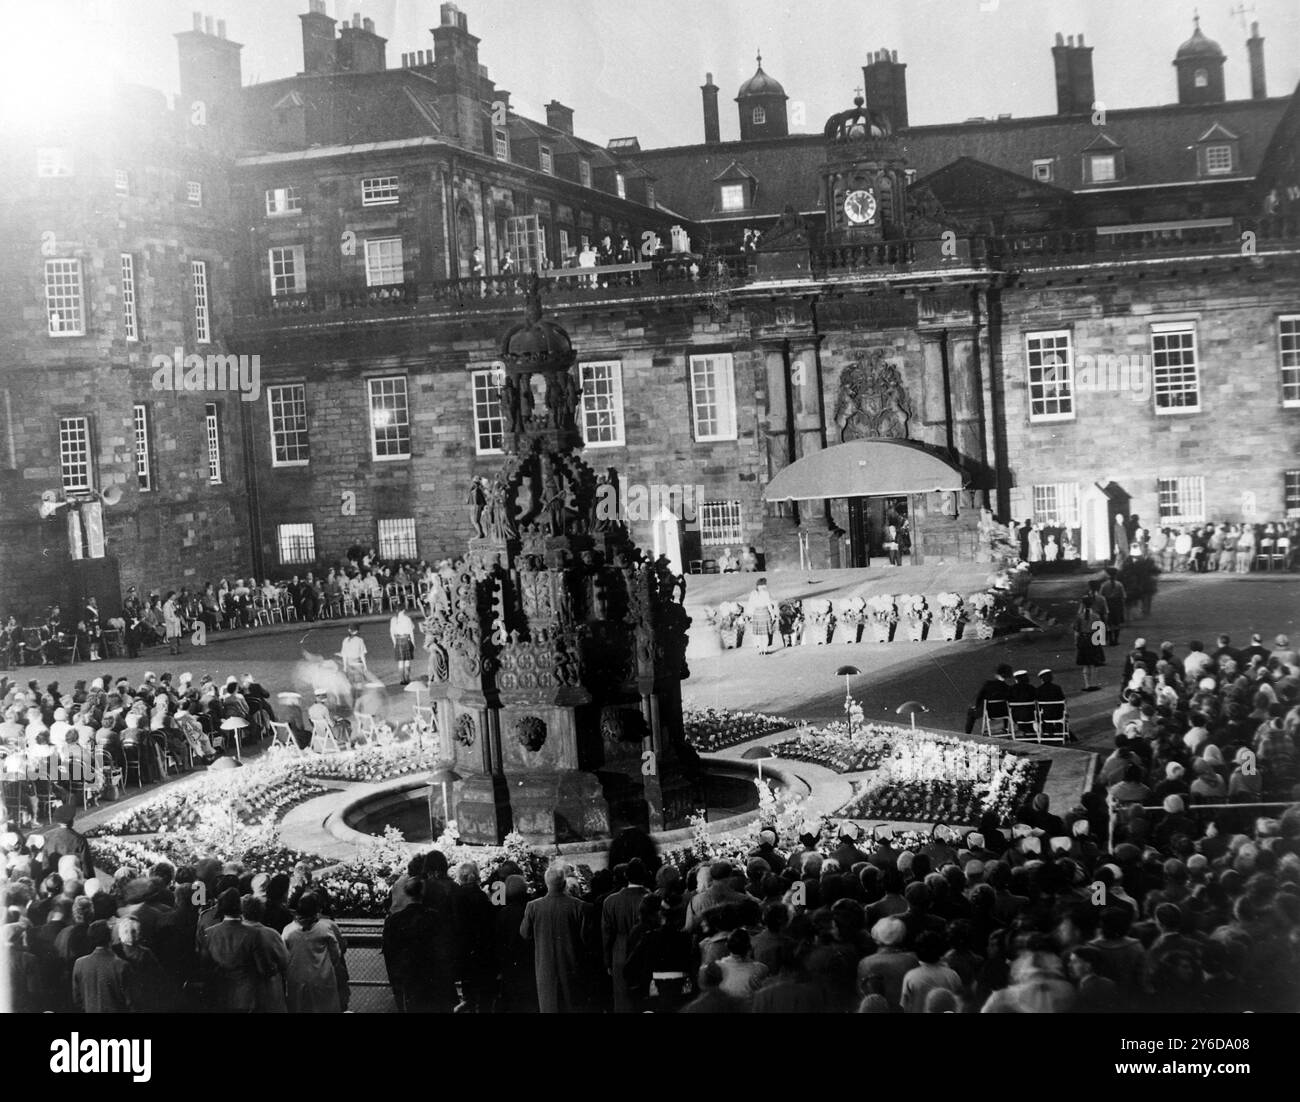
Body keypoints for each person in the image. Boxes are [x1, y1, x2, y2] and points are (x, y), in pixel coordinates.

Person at [520, 864, 590, 1013]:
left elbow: (525, 933)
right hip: (571, 965)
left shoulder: (533, 907)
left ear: (546, 883)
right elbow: (586, 939)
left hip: (545, 967)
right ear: (564, 883)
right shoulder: (579, 906)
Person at [602, 857, 650, 1013]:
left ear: (626, 877)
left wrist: (608, 961)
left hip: (620, 952)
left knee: (623, 1001)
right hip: (646, 950)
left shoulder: (610, 901)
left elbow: (607, 936)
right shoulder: (651, 898)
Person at [283, 893, 346, 1013]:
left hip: (296, 978)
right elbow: (335, 954)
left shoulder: (288, 930)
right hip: (322, 976)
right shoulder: (324, 928)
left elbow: (283, 955)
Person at [72, 920, 130, 1013]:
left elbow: (77, 1000)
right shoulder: (121, 965)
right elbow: (130, 1002)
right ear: (111, 938)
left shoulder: (79, 964)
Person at [1074, 597, 1106, 692]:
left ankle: (1087, 685)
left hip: (1083, 639)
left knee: (1085, 664)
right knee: (1094, 664)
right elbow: (1100, 630)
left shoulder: (1079, 616)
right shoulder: (1096, 616)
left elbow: (1076, 632)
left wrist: (1076, 642)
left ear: (1082, 604)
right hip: (1094, 639)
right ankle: (1094, 684)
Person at [743, 577, 780, 655]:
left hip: (756, 614)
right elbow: (769, 605)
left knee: (759, 634)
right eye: (765, 584)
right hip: (765, 613)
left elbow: (750, 605)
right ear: (762, 585)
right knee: (765, 634)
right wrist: (773, 615)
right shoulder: (766, 593)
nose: (766, 586)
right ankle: (765, 650)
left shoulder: (753, 593)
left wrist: (749, 615)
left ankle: (760, 650)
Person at [339, 624, 370, 691]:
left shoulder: (345, 640)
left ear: (349, 630)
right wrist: (365, 666)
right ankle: (359, 697)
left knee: (351, 684)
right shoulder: (360, 640)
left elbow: (344, 656)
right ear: (357, 631)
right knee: (359, 684)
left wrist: (344, 667)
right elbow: (362, 655)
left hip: (349, 665)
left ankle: (353, 699)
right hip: (358, 664)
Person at [390, 607, 416, 687]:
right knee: (407, 661)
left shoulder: (393, 619)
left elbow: (391, 632)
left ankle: (402, 680)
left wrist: (394, 643)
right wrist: (413, 642)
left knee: (400, 662)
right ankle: (407, 679)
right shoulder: (407, 619)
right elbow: (411, 630)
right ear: (403, 610)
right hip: (406, 639)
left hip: (398, 640)